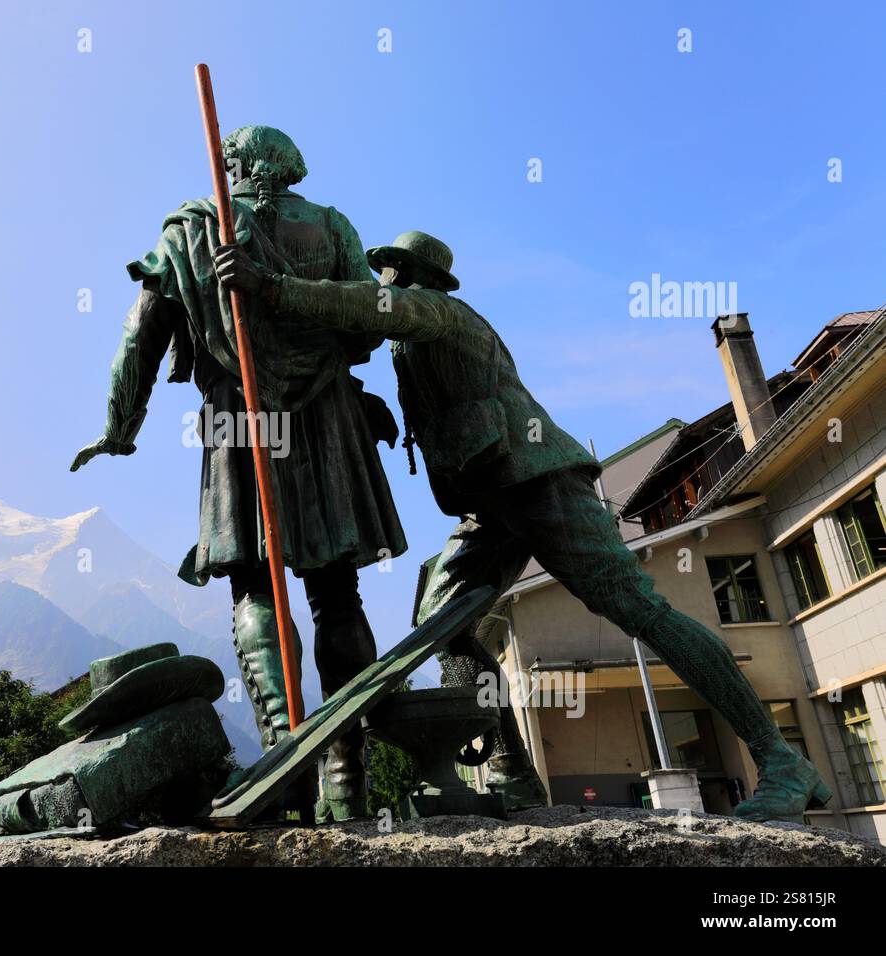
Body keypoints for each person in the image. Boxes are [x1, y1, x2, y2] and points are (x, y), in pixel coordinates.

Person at [214, 230, 831, 822]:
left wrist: (269, 285)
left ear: (419, 278)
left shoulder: (438, 313)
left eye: (391, 270)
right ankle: (514, 769)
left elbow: (367, 307)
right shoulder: (414, 344)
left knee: (643, 613)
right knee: (442, 620)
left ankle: (781, 760)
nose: (383, 278)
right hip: (491, 505)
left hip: (538, 482)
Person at [71, 127, 406, 821]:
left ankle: (285, 762)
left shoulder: (192, 228)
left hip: (239, 416)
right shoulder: (334, 226)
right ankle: (345, 782)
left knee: (256, 583)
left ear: (242, 166)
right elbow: (367, 329)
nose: (219, 166)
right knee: (337, 593)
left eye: (227, 160)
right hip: (328, 414)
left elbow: (140, 338)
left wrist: (118, 428)